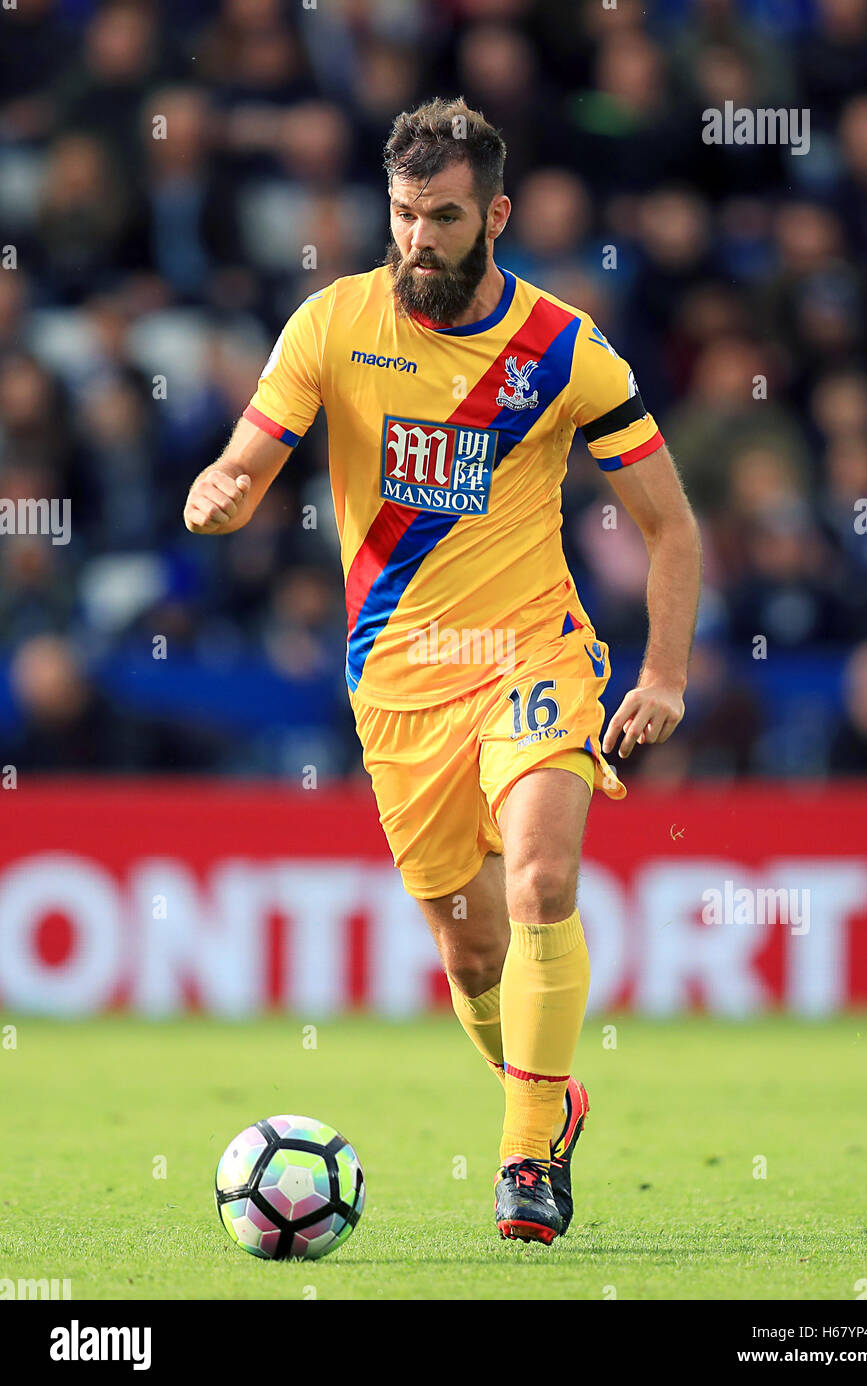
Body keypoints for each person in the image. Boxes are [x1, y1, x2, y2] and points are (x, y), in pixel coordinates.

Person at [183, 97, 701, 1245]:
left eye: (445, 217)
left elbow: (670, 526)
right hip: (400, 686)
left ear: (496, 216)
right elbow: (242, 459)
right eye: (404, 214)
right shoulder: (332, 322)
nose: (418, 238)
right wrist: (217, 493)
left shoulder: (567, 349)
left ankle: (525, 1165)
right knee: (473, 951)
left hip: (532, 652)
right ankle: (544, 1094)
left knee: (541, 881)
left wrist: (662, 674)